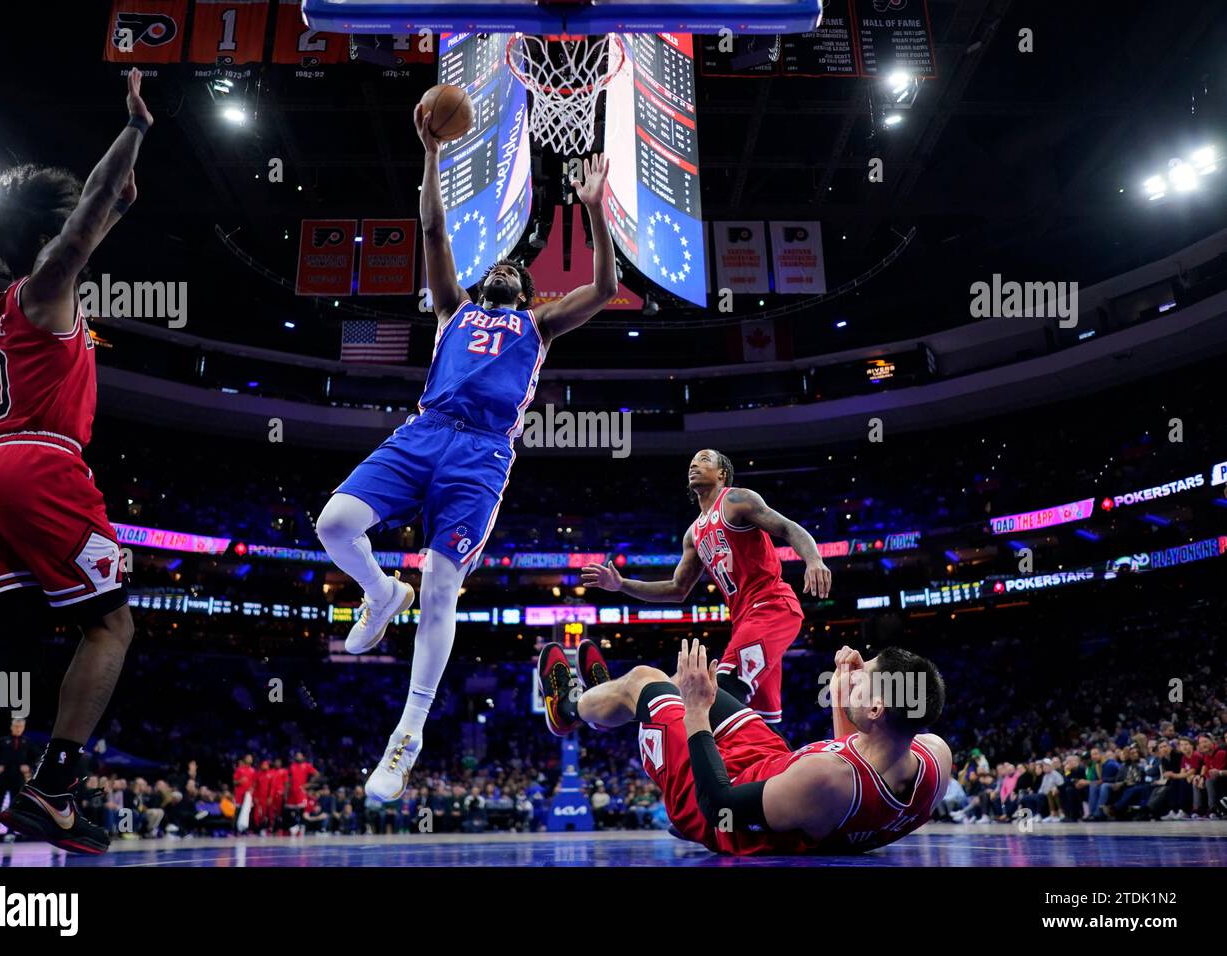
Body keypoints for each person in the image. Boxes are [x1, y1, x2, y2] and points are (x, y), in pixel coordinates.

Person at [314, 105, 619, 801]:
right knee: (334, 524)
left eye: (517, 268)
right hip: (424, 432)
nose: (505, 268)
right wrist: (429, 152)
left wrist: (595, 210)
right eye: (499, 265)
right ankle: (379, 593)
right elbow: (432, 228)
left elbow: (604, 289)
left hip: (481, 455)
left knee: (441, 583)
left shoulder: (539, 324)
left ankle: (408, 733)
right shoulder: (452, 307)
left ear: (527, 294)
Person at [0, 70, 152, 865]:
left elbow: (94, 221)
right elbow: (83, 225)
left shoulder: (4, 305)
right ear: (50, 232)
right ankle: (55, 791)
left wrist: (118, 202)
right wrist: (135, 129)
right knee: (112, 624)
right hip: (39, 466)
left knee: (12, 651)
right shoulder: (48, 285)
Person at [539, 638, 950, 855]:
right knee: (682, 682)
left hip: (717, 809)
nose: (852, 675)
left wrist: (696, 713)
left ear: (876, 709)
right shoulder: (934, 759)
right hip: (774, 773)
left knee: (646, 681)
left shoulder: (826, 778)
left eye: (863, 676)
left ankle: (569, 708)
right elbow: (855, 767)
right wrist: (845, 693)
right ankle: (603, 703)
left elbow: (719, 807)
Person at [582, 449, 831, 725]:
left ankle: (608, 703)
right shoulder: (694, 533)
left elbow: (787, 528)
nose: (694, 465)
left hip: (772, 607)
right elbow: (677, 589)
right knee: (758, 722)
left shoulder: (736, 500)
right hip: (745, 620)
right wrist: (621, 584)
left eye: (703, 460)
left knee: (714, 693)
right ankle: (606, 706)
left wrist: (814, 559)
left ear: (722, 474)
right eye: (691, 462)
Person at [0, 719, 37, 843]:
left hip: (18, 778)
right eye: (16, 726)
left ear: (23, 728)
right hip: (3, 776)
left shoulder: (27, 742)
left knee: (14, 807)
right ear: (11, 727)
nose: (18, 728)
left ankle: (10, 832)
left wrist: (29, 766)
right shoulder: (2, 741)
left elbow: (38, 755)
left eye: (20, 726)